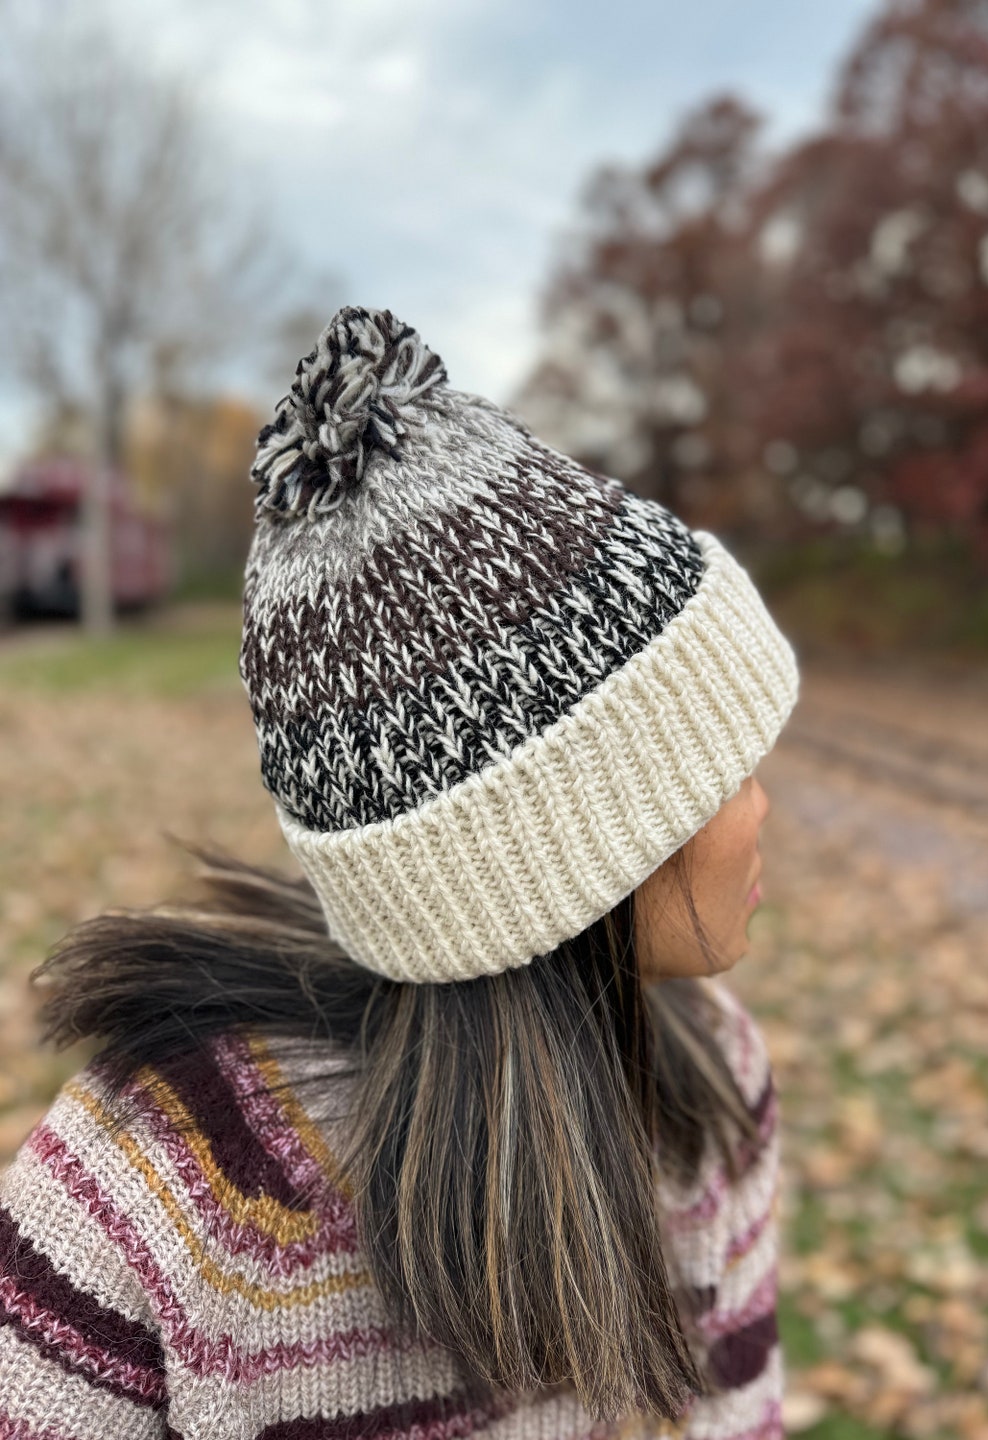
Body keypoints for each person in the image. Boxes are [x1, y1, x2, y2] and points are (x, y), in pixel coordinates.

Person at [0, 306, 799, 1439]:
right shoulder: (165, 1184)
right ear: (574, 851)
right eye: (718, 769)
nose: (763, 804)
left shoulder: (707, 1080)